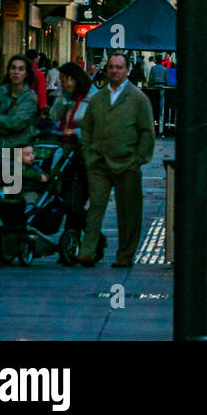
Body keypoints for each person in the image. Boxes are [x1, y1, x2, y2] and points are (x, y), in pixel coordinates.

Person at [78, 53, 155, 268]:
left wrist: (138, 159)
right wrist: (90, 155)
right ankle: (87, 251)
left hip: (127, 163)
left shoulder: (138, 99)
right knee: (96, 207)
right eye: (111, 67)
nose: (114, 71)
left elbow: (147, 132)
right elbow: (86, 129)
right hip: (100, 163)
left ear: (127, 70)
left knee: (129, 212)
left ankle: (125, 255)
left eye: (119, 67)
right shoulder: (97, 99)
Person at [0, 55, 40, 152]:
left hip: (19, 148)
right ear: (9, 71)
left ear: (26, 74)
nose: (16, 72)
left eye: (21, 69)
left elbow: (16, 123)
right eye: (13, 68)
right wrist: (8, 128)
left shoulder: (30, 97)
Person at [50, 62, 97, 137]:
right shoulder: (66, 95)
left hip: (81, 143)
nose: (61, 85)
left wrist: (77, 132)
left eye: (62, 81)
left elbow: (96, 127)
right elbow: (54, 116)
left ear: (71, 79)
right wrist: (64, 97)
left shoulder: (92, 97)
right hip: (62, 139)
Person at [25, 49, 49, 116]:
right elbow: (41, 93)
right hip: (33, 107)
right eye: (38, 57)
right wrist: (42, 108)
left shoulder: (22, 71)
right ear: (35, 59)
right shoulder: (38, 74)